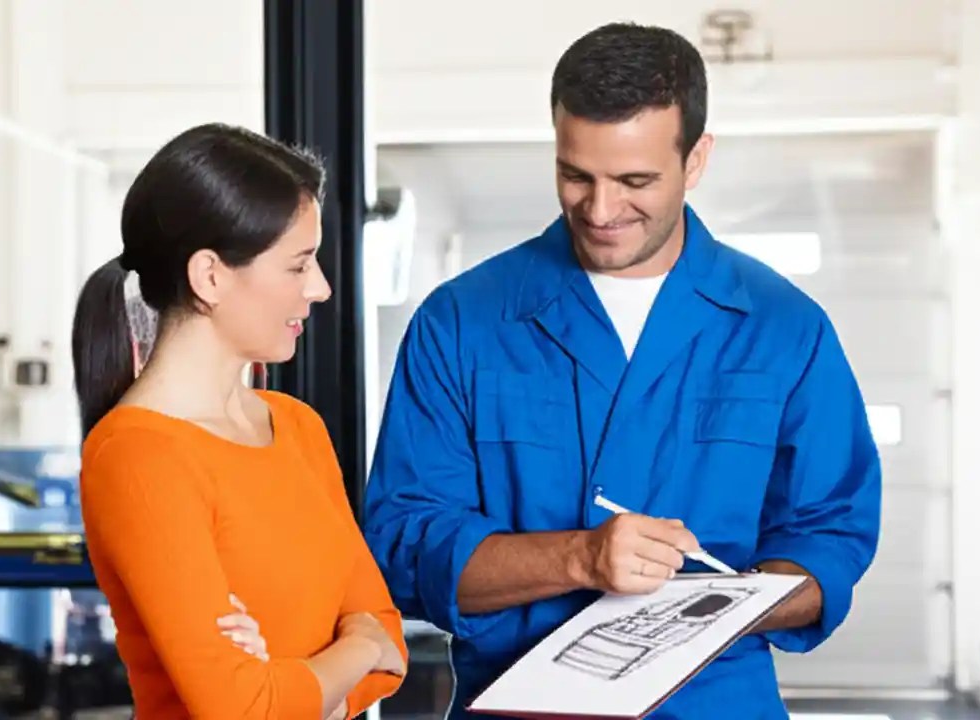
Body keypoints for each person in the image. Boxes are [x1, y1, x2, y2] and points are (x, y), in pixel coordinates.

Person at [362, 22, 882, 720]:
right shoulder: (461, 323)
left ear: (695, 160)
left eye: (635, 181)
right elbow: (402, 543)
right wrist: (580, 558)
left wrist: (717, 609)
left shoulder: (785, 328)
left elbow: (831, 535)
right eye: (576, 176)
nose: (601, 210)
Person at [72, 123, 407, 719]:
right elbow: (243, 710)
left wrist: (297, 682)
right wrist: (354, 649)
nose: (322, 289)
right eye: (298, 266)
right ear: (210, 277)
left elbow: (391, 644)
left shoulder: (298, 427)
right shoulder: (138, 455)